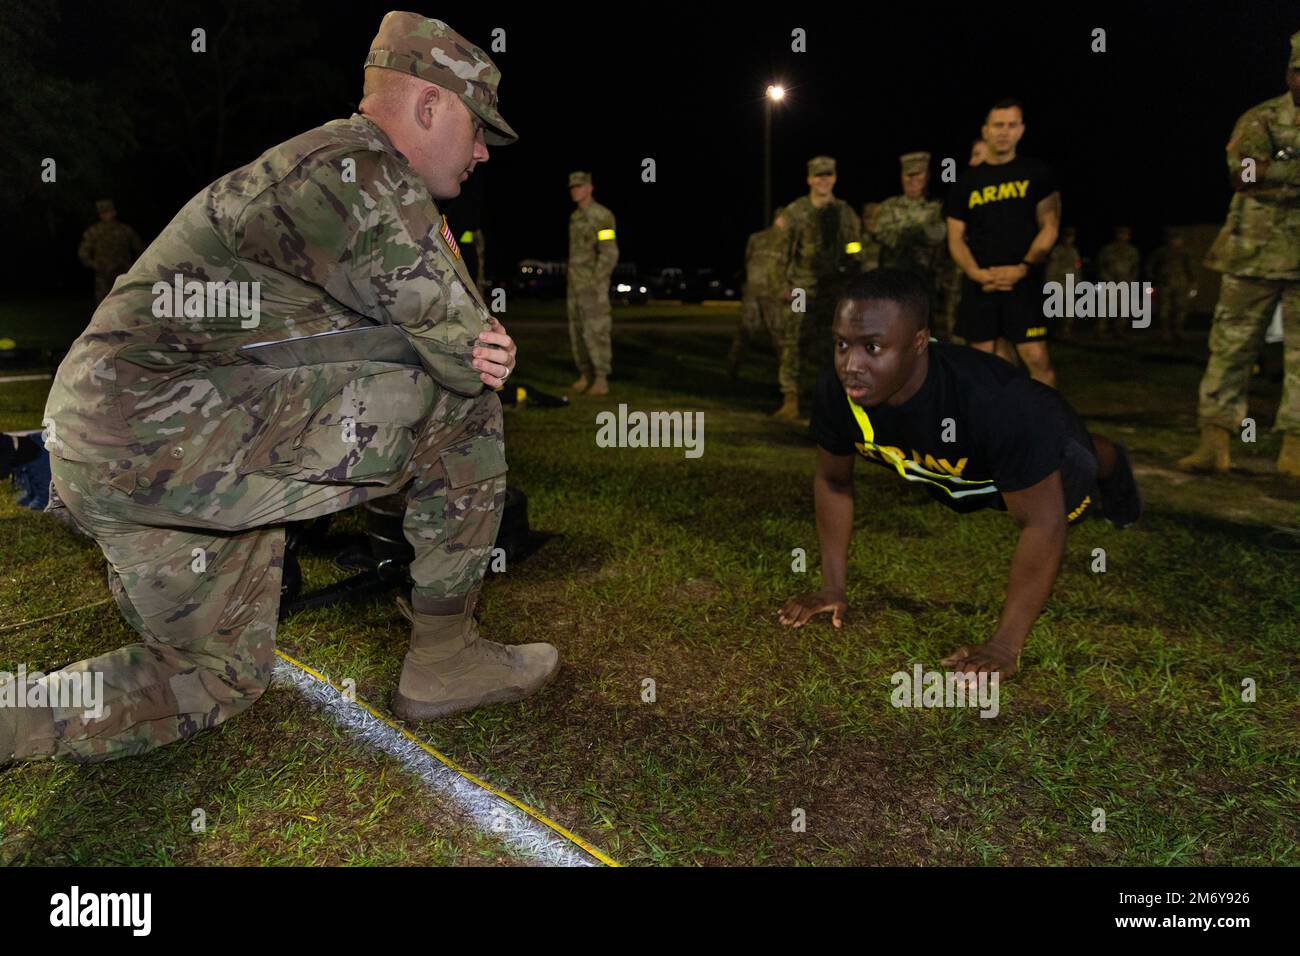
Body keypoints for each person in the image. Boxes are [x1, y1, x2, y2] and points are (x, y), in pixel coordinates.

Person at [2, 13, 560, 768]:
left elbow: (338, 341)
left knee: (215, 675)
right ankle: (447, 658)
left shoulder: (312, 166)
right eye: (477, 125)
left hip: (105, 449)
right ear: (429, 106)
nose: (484, 150)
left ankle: (15, 719)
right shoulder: (372, 175)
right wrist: (479, 351)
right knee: (462, 409)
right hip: (177, 439)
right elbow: (468, 360)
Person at [778, 269, 1140, 679]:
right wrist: (832, 587)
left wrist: (1004, 646)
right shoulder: (838, 393)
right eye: (842, 344)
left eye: (873, 347)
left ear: (919, 342)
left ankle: (1114, 465)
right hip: (962, 470)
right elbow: (833, 480)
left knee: (1080, 470)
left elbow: (1042, 522)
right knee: (970, 475)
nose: (851, 365)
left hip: (1047, 446)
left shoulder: (997, 404)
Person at [1179, 31, 1300, 479]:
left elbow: (1263, 173)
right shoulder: (1261, 118)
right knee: (1230, 347)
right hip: (1251, 255)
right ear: (1291, 73)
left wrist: (1279, 168)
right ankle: (1214, 444)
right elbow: (1243, 174)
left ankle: (1294, 452)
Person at [944, 99, 1061, 387]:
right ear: (985, 130)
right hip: (981, 285)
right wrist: (976, 273)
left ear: (1021, 130)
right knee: (985, 363)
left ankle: (1050, 427)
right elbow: (955, 237)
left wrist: (1023, 268)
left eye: (1011, 125)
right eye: (998, 125)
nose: (1004, 132)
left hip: (1023, 283)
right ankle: (994, 426)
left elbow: (1050, 226)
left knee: (1037, 358)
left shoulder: (1037, 174)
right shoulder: (965, 183)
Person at [776, 156, 865, 419]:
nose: (823, 180)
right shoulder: (795, 212)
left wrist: (852, 263)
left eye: (827, 175)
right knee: (795, 339)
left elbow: (855, 245)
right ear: (809, 179)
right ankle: (790, 397)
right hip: (801, 288)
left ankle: (829, 398)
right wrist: (783, 284)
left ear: (834, 178)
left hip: (834, 289)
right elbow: (780, 253)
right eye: (818, 176)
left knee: (833, 343)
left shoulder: (845, 212)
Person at [566, 171, 619, 397]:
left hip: (592, 286)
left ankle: (600, 378)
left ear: (589, 188)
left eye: (579, 186)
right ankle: (585, 374)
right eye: (572, 187)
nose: (574, 190)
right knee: (577, 330)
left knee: (596, 331)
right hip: (574, 285)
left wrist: (596, 281)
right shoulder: (575, 217)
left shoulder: (602, 216)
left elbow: (609, 252)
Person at [869, 152, 947, 297]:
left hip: (926, 279)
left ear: (927, 176)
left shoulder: (937, 208)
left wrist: (906, 233)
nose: (913, 180)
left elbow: (939, 235)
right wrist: (915, 234)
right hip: (893, 280)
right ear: (902, 177)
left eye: (918, 174)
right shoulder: (888, 206)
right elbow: (879, 233)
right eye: (909, 175)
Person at [728, 212, 787, 382]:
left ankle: (732, 369)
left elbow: (748, 261)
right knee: (779, 335)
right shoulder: (787, 241)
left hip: (753, 290)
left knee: (746, 332)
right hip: (772, 293)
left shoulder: (755, 238)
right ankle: (789, 380)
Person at [78, 199, 144, 304]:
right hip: (103, 276)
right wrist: (94, 265)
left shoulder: (125, 230)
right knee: (103, 306)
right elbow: (83, 252)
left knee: (124, 304)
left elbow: (139, 248)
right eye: (103, 213)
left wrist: (133, 267)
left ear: (114, 212)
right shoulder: (94, 231)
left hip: (122, 274)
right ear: (100, 215)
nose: (106, 215)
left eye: (108, 212)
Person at [1147, 229, 1195, 342]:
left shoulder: (1185, 252)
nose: (1175, 241)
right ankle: (1165, 331)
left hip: (1181, 284)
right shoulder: (1161, 252)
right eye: (1173, 239)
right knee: (1164, 308)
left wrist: (1193, 282)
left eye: (1177, 239)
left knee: (1180, 308)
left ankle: (1178, 330)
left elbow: (1191, 268)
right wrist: (1154, 279)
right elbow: (1150, 266)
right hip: (1165, 284)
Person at [1096, 226, 1141, 338]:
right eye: (1120, 234)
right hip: (1109, 282)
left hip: (1124, 283)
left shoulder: (1132, 251)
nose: (1123, 236)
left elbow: (1135, 267)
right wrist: (1105, 278)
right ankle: (1100, 331)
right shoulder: (1107, 250)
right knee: (1105, 307)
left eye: (1125, 234)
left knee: (1123, 308)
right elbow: (1100, 266)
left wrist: (1131, 280)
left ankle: (1119, 330)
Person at [1045, 226, 1082, 338]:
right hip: (1059, 283)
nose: (1069, 239)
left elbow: (1077, 267)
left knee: (1070, 309)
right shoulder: (1057, 250)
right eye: (1067, 236)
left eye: (1071, 237)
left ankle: (1066, 330)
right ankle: (1056, 331)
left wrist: (1078, 282)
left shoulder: (1074, 251)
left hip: (1071, 283)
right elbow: (1051, 268)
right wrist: (1050, 283)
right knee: (1058, 309)